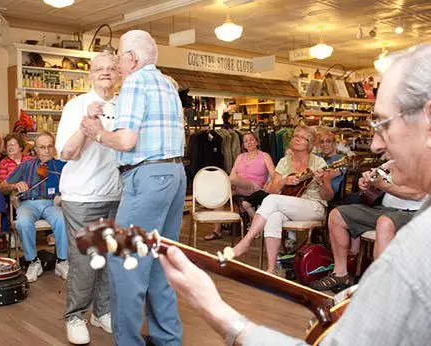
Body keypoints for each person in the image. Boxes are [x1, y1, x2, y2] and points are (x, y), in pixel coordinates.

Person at [161, 44, 431, 345]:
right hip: (287, 205)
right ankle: (271, 267)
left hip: (311, 206)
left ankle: (246, 246)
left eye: (383, 123)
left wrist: (214, 310)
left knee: (273, 204)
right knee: (273, 208)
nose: (377, 146)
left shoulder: (418, 247)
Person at [82, 30, 185, 346]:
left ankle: (128, 342)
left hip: (147, 179)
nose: (117, 63)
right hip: (176, 174)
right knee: (157, 260)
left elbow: (126, 141)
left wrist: (98, 132)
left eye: (120, 56)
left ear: (133, 58)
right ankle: (167, 339)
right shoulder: (168, 84)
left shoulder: (136, 82)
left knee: (124, 263)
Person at [55, 53, 122, 345]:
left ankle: (102, 311)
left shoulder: (124, 104)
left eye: (111, 69)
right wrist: (88, 124)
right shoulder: (76, 105)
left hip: (116, 194)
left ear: (118, 74)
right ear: (90, 75)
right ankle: (75, 315)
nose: (106, 73)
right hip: (81, 195)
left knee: (109, 256)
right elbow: (66, 153)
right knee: (84, 259)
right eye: (100, 69)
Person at [231, 125, 333, 274]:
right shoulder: (284, 162)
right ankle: (272, 268)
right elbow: (272, 190)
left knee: (273, 201)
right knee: (273, 216)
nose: (297, 139)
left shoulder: (319, 163)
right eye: (295, 136)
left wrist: (320, 182)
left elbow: (328, 196)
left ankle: (246, 241)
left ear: (309, 143)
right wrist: (283, 182)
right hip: (289, 205)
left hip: (314, 206)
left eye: (302, 137)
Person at [310, 166, 426, 291]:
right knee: (337, 215)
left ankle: (383, 285)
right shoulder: (392, 162)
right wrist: (366, 183)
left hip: (416, 212)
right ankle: (340, 274)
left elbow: (418, 195)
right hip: (384, 209)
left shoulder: (424, 161)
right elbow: (374, 182)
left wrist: (383, 185)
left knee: (385, 222)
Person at [0, 132, 68, 283]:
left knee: (62, 219)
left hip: (51, 203)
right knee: (23, 222)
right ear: (35, 149)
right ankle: (33, 262)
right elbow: (1, 187)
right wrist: (14, 185)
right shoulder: (26, 166)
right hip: (28, 203)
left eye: (50, 146)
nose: (47, 150)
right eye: (42, 147)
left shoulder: (61, 166)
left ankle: (62, 261)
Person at [205, 133, 275, 240]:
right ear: (244, 145)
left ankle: (211, 190)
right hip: (238, 186)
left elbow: (274, 174)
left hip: (254, 187)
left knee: (231, 179)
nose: (249, 142)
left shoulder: (264, 156)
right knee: (220, 195)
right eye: (246, 141)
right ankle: (217, 231)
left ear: (257, 142)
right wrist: (230, 185)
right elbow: (232, 173)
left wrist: (269, 184)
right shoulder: (240, 157)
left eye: (251, 140)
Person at [316, 127, 345, 196]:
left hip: (327, 193)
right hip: (312, 190)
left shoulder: (342, 159)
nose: (324, 145)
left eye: (328, 141)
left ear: (334, 143)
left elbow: (328, 175)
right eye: (322, 142)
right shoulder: (317, 156)